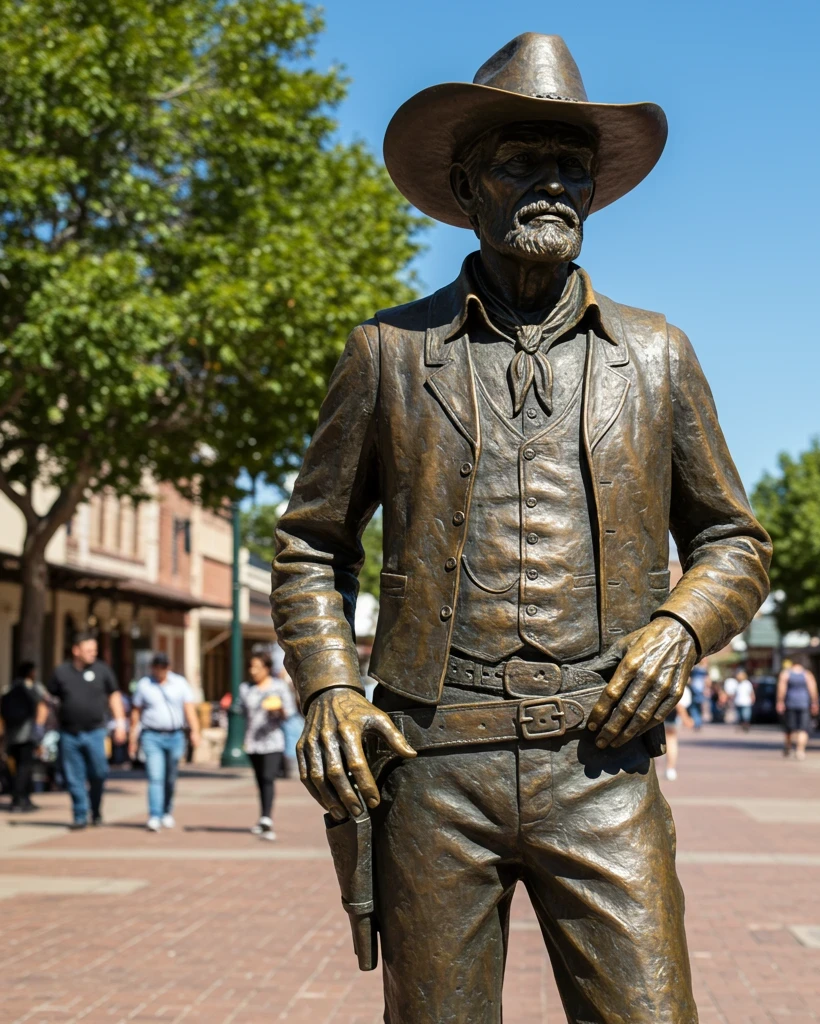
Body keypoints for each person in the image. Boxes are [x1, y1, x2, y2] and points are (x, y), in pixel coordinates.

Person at [272, 33, 771, 1021]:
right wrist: (328, 685)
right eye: (521, 162)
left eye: (570, 166)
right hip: (430, 765)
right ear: (466, 185)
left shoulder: (656, 355)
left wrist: (679, 628)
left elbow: (732, 538)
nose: (552, 185)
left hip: (602, 760)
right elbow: (309, 542)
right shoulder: (387, 352)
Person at [41, 633, 126, 828]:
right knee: (74, 776)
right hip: (69, 733)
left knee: (99, 772)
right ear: (76, 650)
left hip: (96, 732)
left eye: (95, 650)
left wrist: (120, 723)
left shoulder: (103, 670)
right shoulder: (61, 672)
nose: (92, 653)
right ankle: (80, 814)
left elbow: (114, 696)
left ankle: (95, 809)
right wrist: (40, 726)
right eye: (89, 650)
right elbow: (47, 699)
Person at [129, 653, 201, 832]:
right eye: (157, 667)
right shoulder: (144, 685)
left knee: (170, 777)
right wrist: (132, 738)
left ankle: (166, 811)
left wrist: (195, 731)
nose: (160, 671)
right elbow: (136, 712)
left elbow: (189, 709)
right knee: (155, 777)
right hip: (151, 735)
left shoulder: (179, 683)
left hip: (175, 736)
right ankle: (154, 815)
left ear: (168, 667)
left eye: (163, 667)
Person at [240, 652, 297, 840]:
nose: (253, 671)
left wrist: (278, 709)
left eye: (257, 667)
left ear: (266, 668)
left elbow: (289, 712)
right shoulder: (245, 688)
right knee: (260, 780)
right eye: (251, 667)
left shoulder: (278, 687)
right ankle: (263, 816)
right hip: (253, 742)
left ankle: (266, 818)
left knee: (268, 777)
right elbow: (242, 712)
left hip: (273, 741)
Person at [1, 661, 44, 812]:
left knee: (17, 767)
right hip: (27, 734)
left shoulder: (9, 688)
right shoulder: (32, 688)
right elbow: (42, 704)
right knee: (25, 767)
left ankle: (21, 798)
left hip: (12, 735)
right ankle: (20, 798)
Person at [776, 657, 819, 760]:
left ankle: (788, 746)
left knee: (789, 729)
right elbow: (812, 689)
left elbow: (781, 688)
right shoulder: (807, 674)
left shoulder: (786, 674)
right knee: (803, 729)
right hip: (804, 704)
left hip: (790, 703)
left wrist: (780, 701)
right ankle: (800, 751)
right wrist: (814, 702)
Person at [663, 683, 693, 781]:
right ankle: (670, 769)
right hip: (671, 718)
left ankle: (669, 769)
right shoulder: (682, 687)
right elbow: (680, 706)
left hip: (660, 717)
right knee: (671, 742)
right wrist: (686, 718)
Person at [688, 660, 709, 730]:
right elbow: (707, 681)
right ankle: (698, 722)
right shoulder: (703, 670)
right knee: (697, 707)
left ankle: (697, 723)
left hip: (696, 690)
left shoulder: (695, 670)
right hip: (699, 690)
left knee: (695, 707)